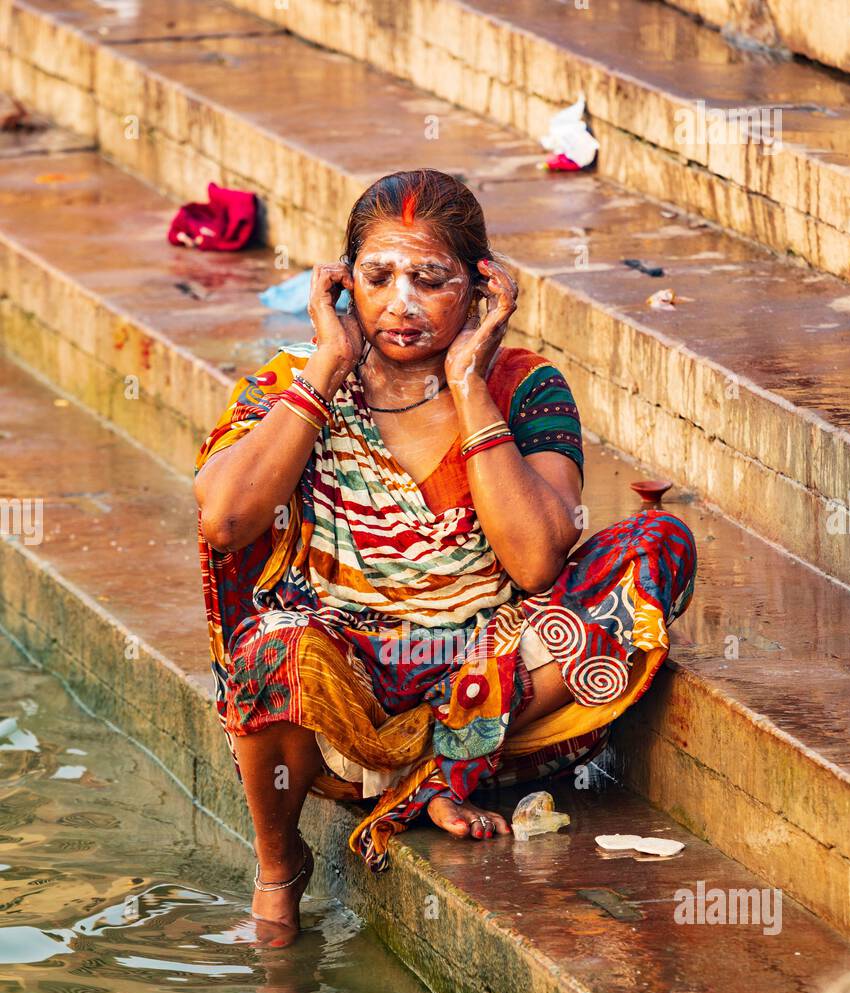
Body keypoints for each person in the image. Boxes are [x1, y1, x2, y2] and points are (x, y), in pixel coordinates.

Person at [193, 168, 697, 940]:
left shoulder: (523, 386)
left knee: (657, 547)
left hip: (492, 677)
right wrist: (327, 369)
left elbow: (534, 565)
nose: (399, 303)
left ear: (479, 288)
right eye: (378, 277)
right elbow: (224, 521)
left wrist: (468, 384)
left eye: (430, 280)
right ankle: (277, 870)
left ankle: (440, 770)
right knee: (273, 648)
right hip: (345, 685)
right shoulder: (299, 377)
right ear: (341, 284)